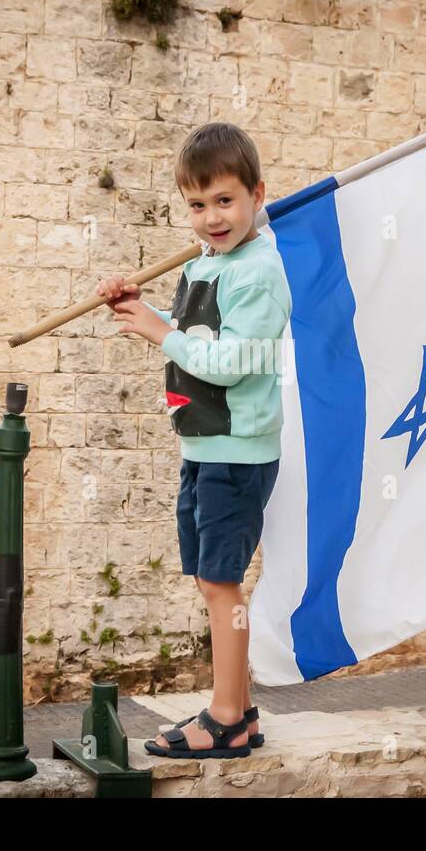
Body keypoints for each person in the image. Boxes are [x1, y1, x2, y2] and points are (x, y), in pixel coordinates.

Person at [95, 122, 292, 758]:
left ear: (258, 195)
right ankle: (235, 710)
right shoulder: (212, 261)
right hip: (206, 448)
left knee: (222, 583)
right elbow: (194, 328)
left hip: (237, 454)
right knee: (213, 582)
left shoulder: (257, 273)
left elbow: (230, 360)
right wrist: (137, 306)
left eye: (226, 201)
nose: (211, 218)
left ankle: (230, 715)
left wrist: (157, 331)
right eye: (198, 205)